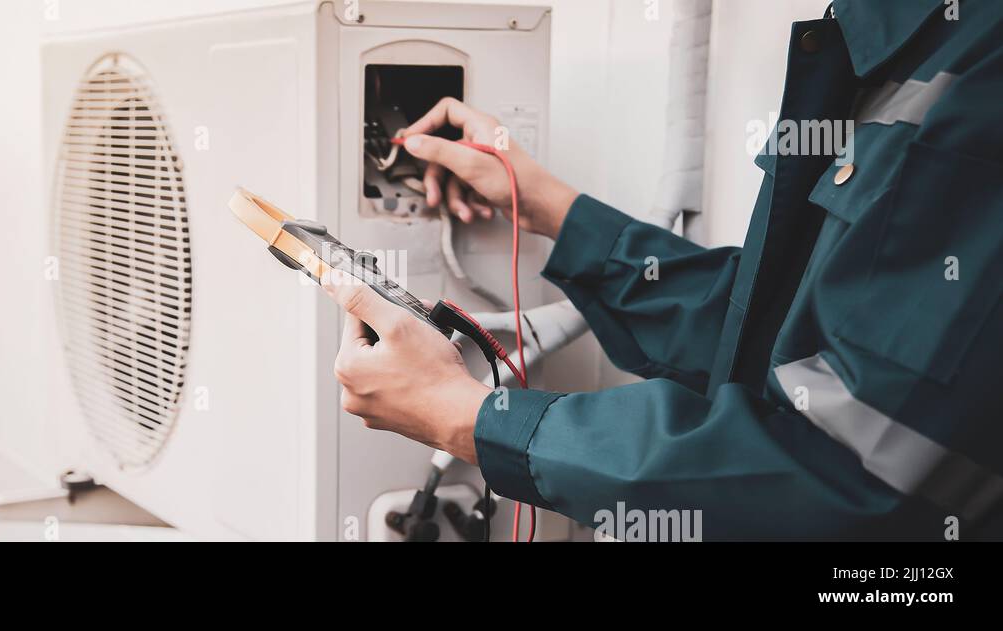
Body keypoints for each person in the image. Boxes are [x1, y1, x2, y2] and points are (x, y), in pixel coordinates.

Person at [323, 0, 1003, 540]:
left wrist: (469, 417)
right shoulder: (889, 39)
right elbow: (766, 327)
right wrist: (551, 207)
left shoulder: (980, 68)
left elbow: (841, 478)